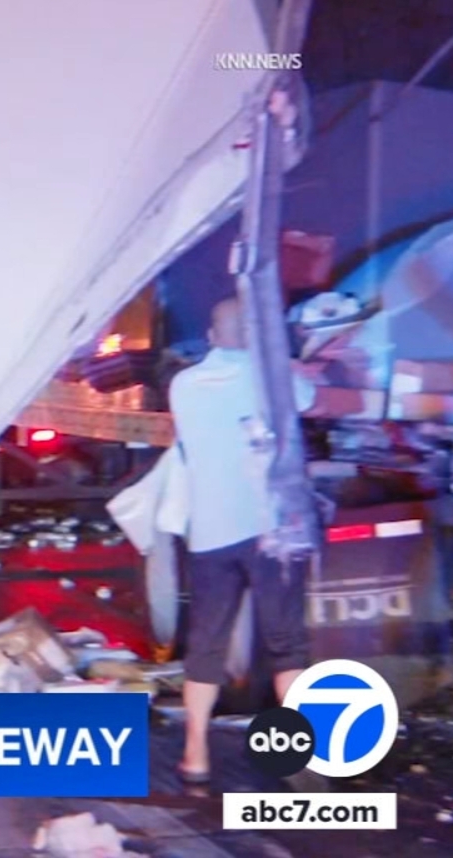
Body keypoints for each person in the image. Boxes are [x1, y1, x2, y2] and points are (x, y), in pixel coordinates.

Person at [169, 297, 319, 786]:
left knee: (206, 643)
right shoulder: (272, 378)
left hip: (210, 533)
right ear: (254, 335)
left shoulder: (183, 385)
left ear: (212, 337)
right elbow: (308, 401)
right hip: (271, 531)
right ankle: (296, 755)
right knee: (286, 643)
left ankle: (195, 752)